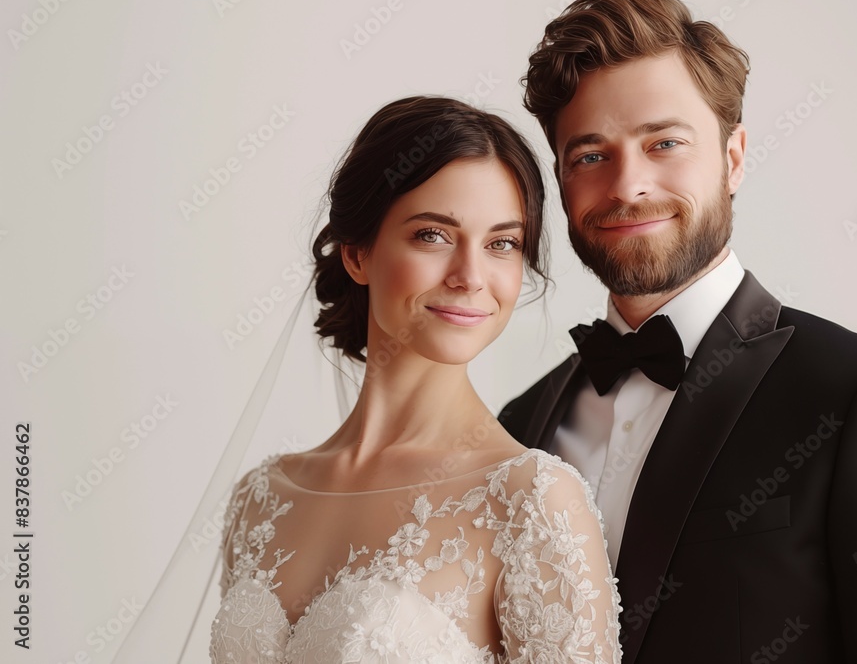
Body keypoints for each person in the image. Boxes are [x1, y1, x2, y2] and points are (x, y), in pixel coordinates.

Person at [498, 0, 857, 662]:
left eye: (664, 143)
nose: (627, 185)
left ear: (734, 157)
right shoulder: (520, 423)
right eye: (590, 155)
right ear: (561, 178)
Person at [209, 96, 623, 663]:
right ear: (357, 253)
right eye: (434, 235)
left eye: (502, 243)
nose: (471, 277)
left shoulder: (532, 502)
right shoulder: (259, 500)